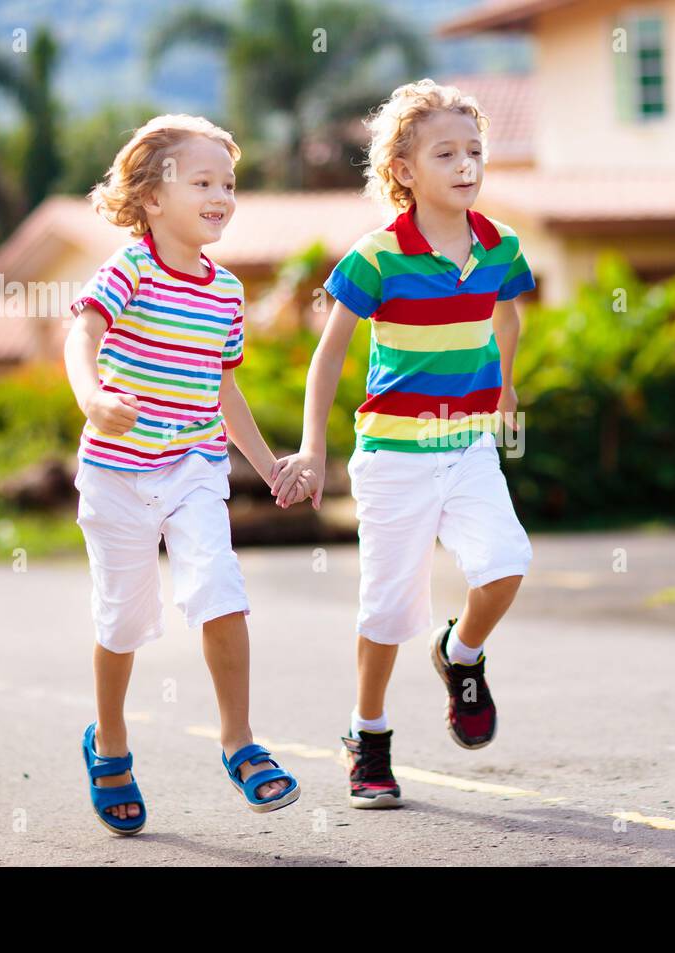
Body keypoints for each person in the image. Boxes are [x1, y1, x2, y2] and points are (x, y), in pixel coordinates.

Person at [270, 80, 535, 808]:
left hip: (469, 446)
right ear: (405, 171)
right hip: (392, 457)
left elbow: (507, 317)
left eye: (474, 151)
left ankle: (461, 653)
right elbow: (328, 356)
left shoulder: (501, 244)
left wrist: (505, 384)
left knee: (507, 564)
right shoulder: (377, 256)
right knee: (388, 611)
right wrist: (311, 448)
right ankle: (370, 735)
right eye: (445, 153)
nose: (465, 164)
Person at [63, 114, 309, 834]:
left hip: (194, 466)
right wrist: (93, 398)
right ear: (150, 197)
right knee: (124, 620)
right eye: (202, 181)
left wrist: (270, 468)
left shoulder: (227, 293)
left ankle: (240, 742)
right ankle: (109, 743)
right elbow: (83, 335)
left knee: (218, 586)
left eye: (228, 184)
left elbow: (223, 391)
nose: (221, 195)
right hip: (115, 474)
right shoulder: (128, 269)